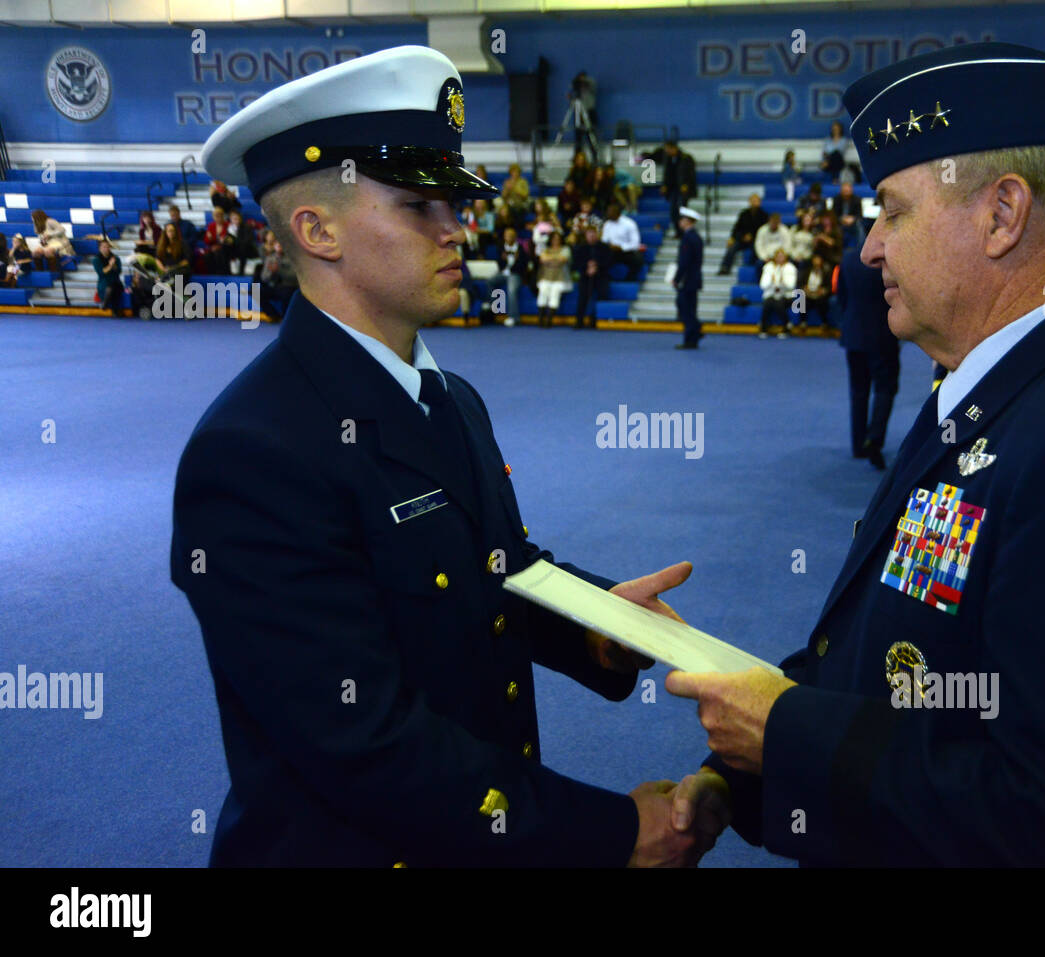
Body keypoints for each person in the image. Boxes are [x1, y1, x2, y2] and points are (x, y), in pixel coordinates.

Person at [663, 42, 1045, 867]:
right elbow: (898, 657)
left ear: (1003, 216)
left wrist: (787, 731)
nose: (869, 248)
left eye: (893, 210)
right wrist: (742, 769)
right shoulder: (994, 391)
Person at [175, 46, 713, 868]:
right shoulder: (251, 453)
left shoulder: (451, 396)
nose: (457, 228)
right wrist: (612, 833)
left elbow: (491, 570)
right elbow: (364, 742)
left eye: (453, 202)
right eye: (419, 205)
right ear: (317, 231)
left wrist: (601, 623)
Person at [836, 233, 898, 466]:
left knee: (858, 391)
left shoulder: (848, 259)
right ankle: (874, 440)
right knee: (885, 389)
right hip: (882, 336)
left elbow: (841, 297)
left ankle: (857, 444)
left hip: (853, 335)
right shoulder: (888, 260)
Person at [649, 140, 697, 237]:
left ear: (673, 148)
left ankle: (684, 231)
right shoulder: (668, 159)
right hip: (673, 189)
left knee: (681, 210)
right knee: (673, 211)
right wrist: (665, 185)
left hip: (683, 189)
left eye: (668, 149)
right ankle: (678, 231)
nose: (666, 151)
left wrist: (686, 185)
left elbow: (691, 174)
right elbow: (667, 174)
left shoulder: (686, 158)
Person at [673, 207, 704, 350]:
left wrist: (677, 278)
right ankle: (694, 335)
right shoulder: (696, 237)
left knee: (685, 308)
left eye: (681, 219)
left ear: (686, 221)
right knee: (690, 308)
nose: (680, 222)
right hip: (695, 278)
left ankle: (693, 333)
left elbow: (684, 261)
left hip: (687, 279)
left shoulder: (687, 238)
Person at [717, 193, 766, 276]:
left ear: (760, 202)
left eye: (756, 201)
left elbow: (763, 231)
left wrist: (752, 236)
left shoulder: (764, 215)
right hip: (742, 239)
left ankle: (752, 269)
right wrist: (732, 237)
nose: (754, 202)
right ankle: (725, 267)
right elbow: (737, 227)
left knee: (756, 249)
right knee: (732, 247)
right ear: (749, 202)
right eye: (752, 200)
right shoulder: (744, 214)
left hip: (756, 240)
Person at [572, 225, 610, 330]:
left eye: (593, 233)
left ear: (597, 234)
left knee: (603, 292)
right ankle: (579, 321)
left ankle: (596, 319)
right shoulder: (581, 248)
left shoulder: (604, 247)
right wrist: (587, 267)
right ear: (586, 235)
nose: (592, 236)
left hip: (601, 275)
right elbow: (576, 263)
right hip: (585, 275)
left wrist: (597, 266)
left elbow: (609, 262)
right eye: (589, 234)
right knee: (582, 295)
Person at [492, 227, 531, 327]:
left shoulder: (521, 249)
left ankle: (513, 317)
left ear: (515, 237)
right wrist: (503, 260)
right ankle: (490, 307)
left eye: (511, 235)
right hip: (503, 273)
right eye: (507, 235)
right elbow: (499, 264)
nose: (508, 237)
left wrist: (516, 261)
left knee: (511, 290)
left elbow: (524, 266)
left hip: (515, 275)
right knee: (490, 281)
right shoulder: (500, 248)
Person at [757, 248, 796, 339]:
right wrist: (771, 281)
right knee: (768, 303)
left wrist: (782, 282)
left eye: (782, 256)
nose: (780, 258)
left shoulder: (790, 267)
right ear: (774, 257)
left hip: (786, 295)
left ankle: (786, 327)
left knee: (779, 303)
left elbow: (791, 285)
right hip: (771, 294)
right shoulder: (768, 267)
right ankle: (763, 328)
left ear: (785, 257)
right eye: (778, 256)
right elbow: (763, 285)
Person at [535, 230, 570, 328]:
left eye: (558, 239)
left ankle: (549, 320)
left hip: (560, 278)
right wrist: (556, 259)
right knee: (543, 292)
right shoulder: (545, 249)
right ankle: (541, 319)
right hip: (545, 276)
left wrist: (550, 260)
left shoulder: (565, 249)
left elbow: (563, 259)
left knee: (555, 294)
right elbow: (543, 259)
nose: (555, 241)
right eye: (554, 239)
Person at [600, 202, 642, 275]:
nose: (608, 214)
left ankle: (630, 280)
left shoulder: (629, 223)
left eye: (610, 212)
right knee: (600, 258)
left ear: (617, 213)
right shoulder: (607, 224)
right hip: (612, 251)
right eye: (608, 212)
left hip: (626, 251)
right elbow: (604, 240)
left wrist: (621, 247)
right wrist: (608, 245)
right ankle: (605, 279)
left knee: (638, 260)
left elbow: (635, 244)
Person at [800, 252, 834, 335]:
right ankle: (803, 324)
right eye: (815, 259)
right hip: (808, 295)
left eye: (818, 259)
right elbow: (800, 284)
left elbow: (829, 287)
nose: (816, 261)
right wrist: (804, 289)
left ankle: (824, 324)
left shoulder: (826, 272)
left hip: (820, 296)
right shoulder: (807, 271)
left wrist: (823, 290)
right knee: (801, 299)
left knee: (822, 302)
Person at [92, 239, 125, 318]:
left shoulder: (115, 258)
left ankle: (106, 305)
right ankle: (108, 305)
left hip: (116, 281)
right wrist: (110, 266)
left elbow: (119, 271)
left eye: (107, 247)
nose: (106, 249)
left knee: (115, 286)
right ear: (100, 248)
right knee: (111, 287)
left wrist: (114, 266)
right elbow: (101, 272)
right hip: (104, 282)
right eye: (104, 247)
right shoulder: (96, 259)